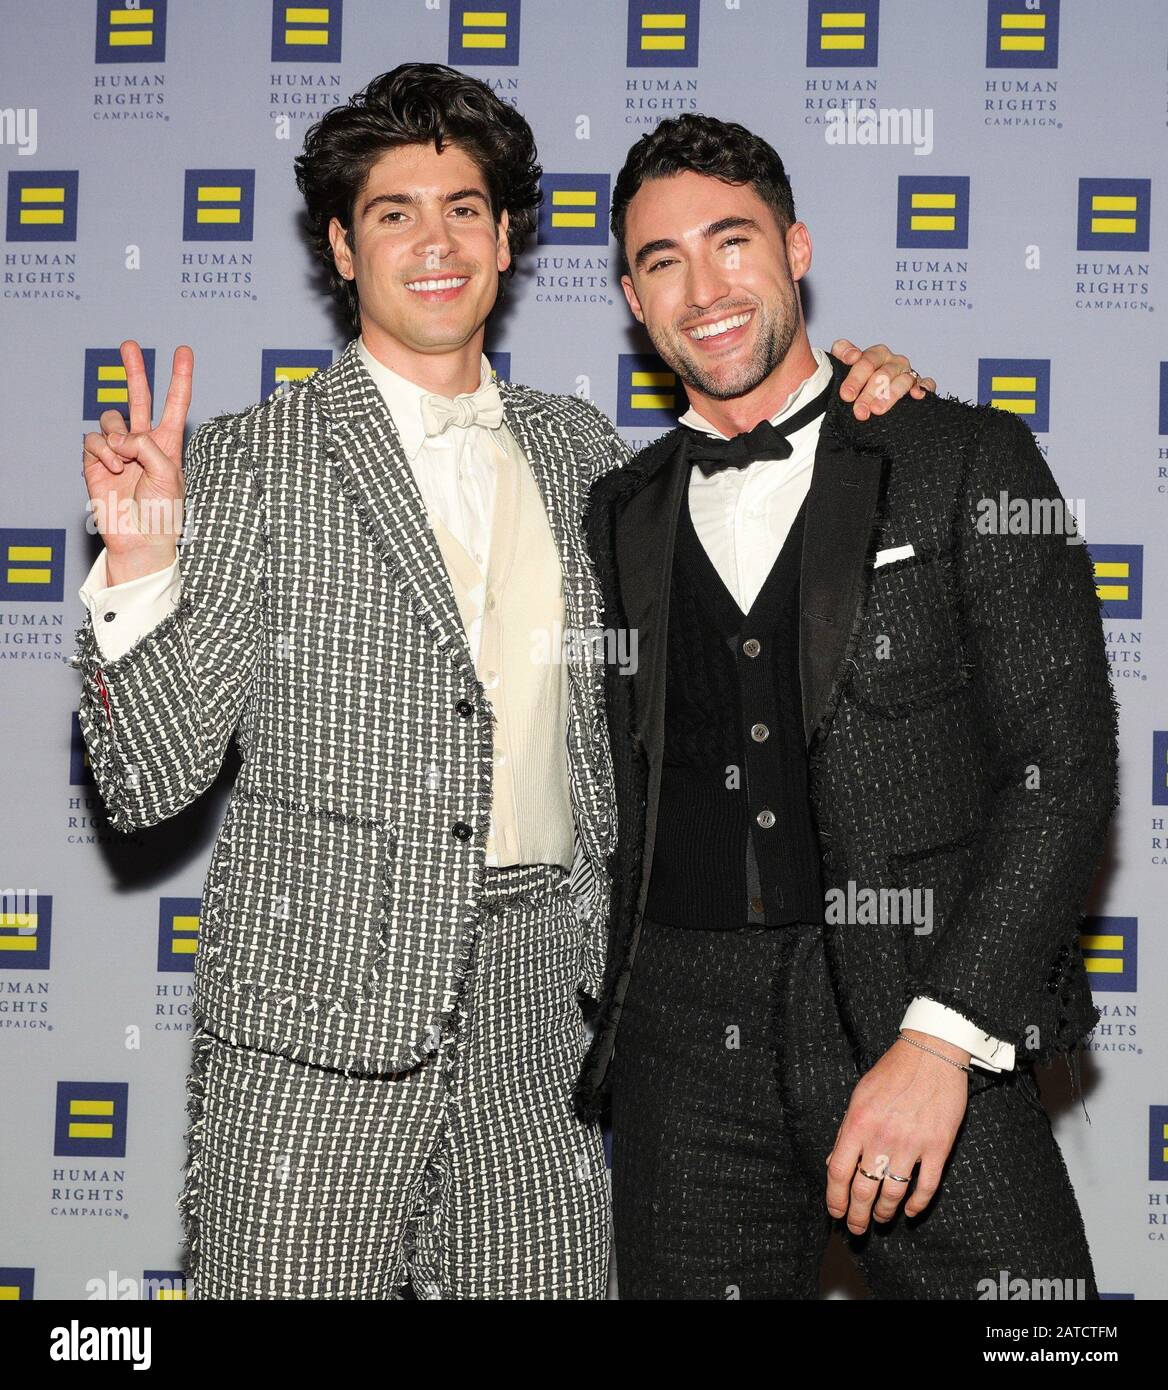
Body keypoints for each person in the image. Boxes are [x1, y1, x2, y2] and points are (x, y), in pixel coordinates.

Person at [72, 65, 927, 1299]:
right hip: (317, 1034)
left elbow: (757, 562)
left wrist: (869, 416)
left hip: (548, 1019)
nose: (435, 243)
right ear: (339, 244)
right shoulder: (245, 463)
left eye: (465, 208)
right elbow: (148, 782)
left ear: (508, 234)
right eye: (394, 213)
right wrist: (144, 568)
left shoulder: (588, 456)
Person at [574, 113, 1120, 1300]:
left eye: (732, 242)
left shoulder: (959, 457)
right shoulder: (611, 513)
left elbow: (1061, 766)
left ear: (798, 247)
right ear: (631, 295)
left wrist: (942, 1037)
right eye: (663, 261)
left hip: (915, 1006)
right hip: (680, 1048)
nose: (704, 288)